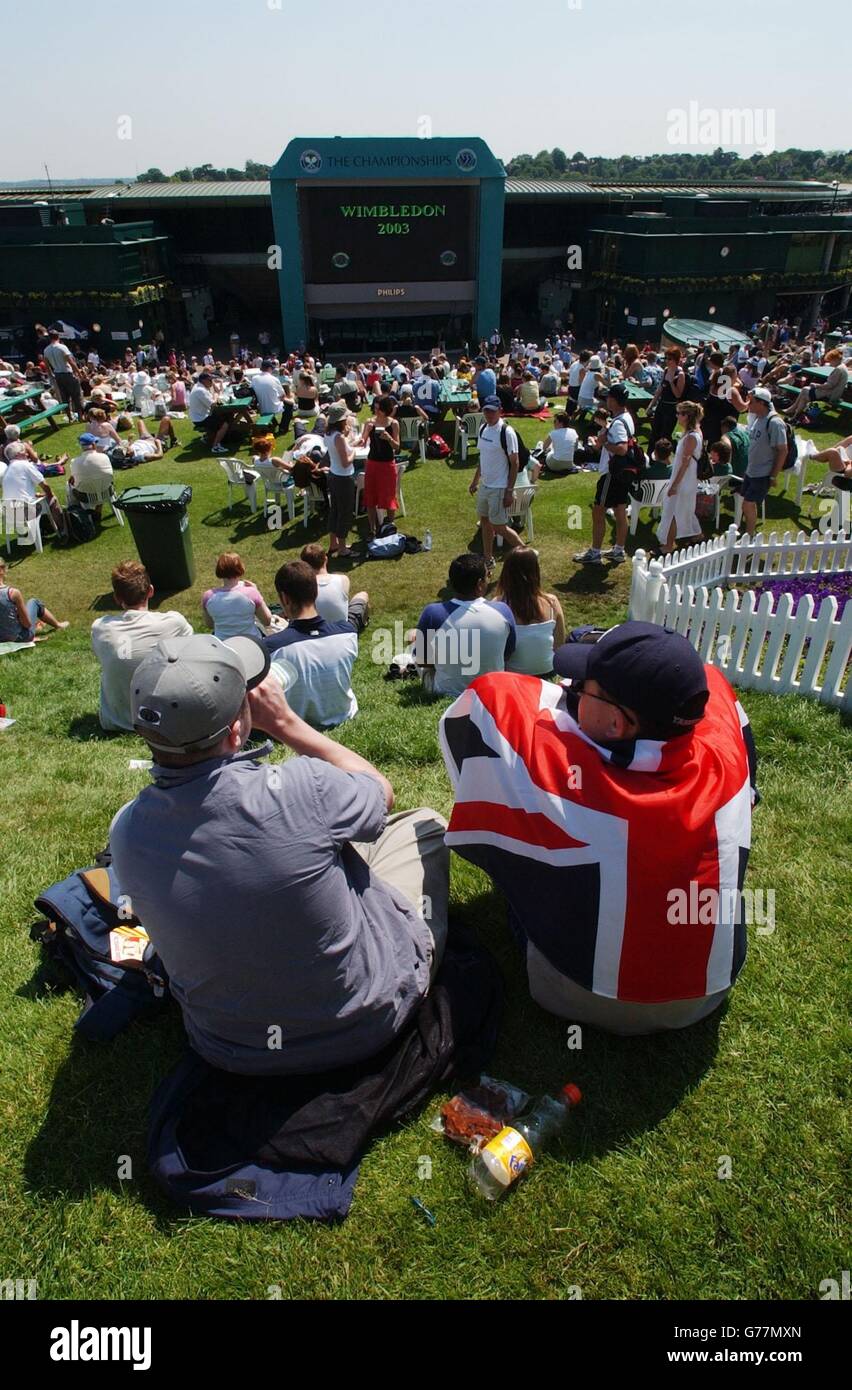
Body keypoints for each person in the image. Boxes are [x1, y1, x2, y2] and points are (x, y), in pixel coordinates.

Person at [109, 633, 448, 1075]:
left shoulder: (126, 831)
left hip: (229, 1048)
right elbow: (380, 792)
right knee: (422, 823)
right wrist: (286, 722)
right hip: (367, 1023)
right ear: (236, 730)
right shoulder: (303, 789)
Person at [439, 621, 757, 1035]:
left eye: (583, 687)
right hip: (706, 994)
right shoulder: (727, 754)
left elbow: (487, 695)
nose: (570, 687)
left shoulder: (548, 768)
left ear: (617, 725)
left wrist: (564, 712)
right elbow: (713, 683)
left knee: (522, 877)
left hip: (573, 991)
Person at [91, 561, 193, 731]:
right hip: (162, 721)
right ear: (151, 590)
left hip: (115, 722)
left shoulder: (100, 628)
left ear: (117, 598)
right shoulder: (173, 622)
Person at [265, 560, 367, 727]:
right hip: (344, 716)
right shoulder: (348, 633)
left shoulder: (271, 648)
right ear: (315, 591)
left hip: (298, 725)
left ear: (284, 598)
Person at [414, 552, 516, 696]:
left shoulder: (433, 613)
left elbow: (422, 660)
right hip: (492, 689)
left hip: (446, 690)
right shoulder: (503, 610)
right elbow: (507, 654)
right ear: (480, 584)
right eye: (488, 576)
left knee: (414, 641)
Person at [574, 384, 636, 567]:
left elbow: (622, 449)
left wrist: (603, 442)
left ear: (614, 400)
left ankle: (595, 552)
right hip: (623, 474)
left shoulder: (618, 423)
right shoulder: (627, 417)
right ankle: (618, 550)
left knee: (598, 511)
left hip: (611, 473)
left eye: (608, 397)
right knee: (620, 510)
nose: (606, 400)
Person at [469, 396, 523, 572]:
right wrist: (475, 481)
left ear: (500, 410)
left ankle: (526, 554)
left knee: (499, 526)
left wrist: (509, 490)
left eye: (492, 411)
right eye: (486, 410)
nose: (489, 414)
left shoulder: (507, 432)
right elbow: (482, 458)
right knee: (484, 521)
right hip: (486, 485)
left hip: (500, 487)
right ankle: (488, 558)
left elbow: (514, 463)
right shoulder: (483, 428)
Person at [495, 546, 564, 676]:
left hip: (513, 675)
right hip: (548, 671)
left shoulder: (498, 604)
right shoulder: (552, 602)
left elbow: (497, 651)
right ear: (535, 571)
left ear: (506, 572)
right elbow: (559, 646)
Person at [656, 400, 704, 556]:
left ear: (687, 416)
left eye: (679, 414)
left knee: (672, 511)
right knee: (685, 509)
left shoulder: (691, 437)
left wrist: (675, 485)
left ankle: (669, 545)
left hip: (684, 480)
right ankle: (697, 535)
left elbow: (685, 463)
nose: (677, 416)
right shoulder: (694, 432)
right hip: (687, 479)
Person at [742, 388, 788, 536]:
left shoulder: (775, 423)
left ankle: (749, 536)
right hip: (751, 470)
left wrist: (773, 476)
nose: (749, 404)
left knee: (748, 504)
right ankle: (749, 532)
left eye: (752, 401)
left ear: (762, 403)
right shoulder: (758, 418)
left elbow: (783, 450)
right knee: (748, 504)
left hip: (762, 473)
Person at [202, 553, 272, 640]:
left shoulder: (208, 597)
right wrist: (257, 592)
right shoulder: (251, 593)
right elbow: (267, 621)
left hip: (223, 644)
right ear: (240, 568)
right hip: (251, 643)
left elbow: (210, 625)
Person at [0, 556, 68, 642]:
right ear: (2, 569)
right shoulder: (13, 593)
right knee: (34, 602)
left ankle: (40, 626)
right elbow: (27, 624)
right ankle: (58, 625)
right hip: (19, 637)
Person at [299, 542, 369, 625]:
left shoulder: (302, 586)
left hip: (315, 630)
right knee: (363, 595)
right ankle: (364, 622)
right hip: (343, 629)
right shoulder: (343, 579)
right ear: (326, 559)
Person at [361, 395, 400, 537]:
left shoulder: (393, 424)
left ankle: (390, 528)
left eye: (379, 409)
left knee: (389, 497)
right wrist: (367, 430)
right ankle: (372, 529)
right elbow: (362, 442)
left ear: (386, 409)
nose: (376, 412)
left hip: (387, 464)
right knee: (370, 498)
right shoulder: (370, 422)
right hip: (372, 463)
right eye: (375, 408)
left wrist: (389, 438)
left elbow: (397, 447)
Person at [325, 402, 357, 557]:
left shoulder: (329, 434)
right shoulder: (339, 438)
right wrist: (354, 453)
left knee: (335, 510)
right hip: (344, 478)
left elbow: (340, 450)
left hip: (333, 475)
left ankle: (334, 544)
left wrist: (347, 439)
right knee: (344, 512)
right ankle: (343, 548)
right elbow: (346, 462)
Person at [784, 348, 849, 421]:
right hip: (834, 393)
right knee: (804, 395)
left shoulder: (838, 370)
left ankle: (793, 410)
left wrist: (816, 385)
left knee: (805, 390)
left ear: (835, 359)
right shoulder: (843, 367)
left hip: (830, 395)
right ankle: (794, 414)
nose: (830, 363)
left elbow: (830, 385)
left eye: (830, 360)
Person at [67, 434, 115, 518]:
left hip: (85, 496)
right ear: (93, 445)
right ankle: (98, 510)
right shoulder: (104, 457)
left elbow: (72, 481)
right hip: (107, 492)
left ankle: (76, 512)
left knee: (69, 486)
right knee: (100, 482)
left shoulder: (75, 462)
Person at [648, 348, 687, 447]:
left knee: (665, 435)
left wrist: (671, 382)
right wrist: (651, 405)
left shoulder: (680, 375)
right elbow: (660, 389)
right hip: (661, 405)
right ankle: (650, 458)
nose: (667, 361)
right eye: (666, 358)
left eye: (670, 359)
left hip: (671, 408)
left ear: (676, 360)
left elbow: (678, 394)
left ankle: (662, 460)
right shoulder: (666, 370)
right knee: (654, 433)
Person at [42, 330, 84, 419]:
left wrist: (51, 376)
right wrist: (79, 373)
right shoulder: (62, 347)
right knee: (76, 395)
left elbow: (47, 366)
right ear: (58, 337)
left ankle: (69, 417)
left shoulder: (46, 350)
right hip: (67, 373)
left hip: (57, 374)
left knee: (64, 397)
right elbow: (71, 362)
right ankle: (80, 416)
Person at [188, 371, 230, 454]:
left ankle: (208, 437)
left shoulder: (199, 386)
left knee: (226, 415)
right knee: (224, 424)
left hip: (200, 416)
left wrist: (215, 393)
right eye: (210, 380)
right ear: (204, 381)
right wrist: (216, 395)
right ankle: (215, 446)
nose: (212, 382)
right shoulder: (200, 390)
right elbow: (213, 405)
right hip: (201, 419)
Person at [537, 409, 580, 474]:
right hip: (569, 464)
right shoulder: (573, 431)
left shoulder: (553, 433)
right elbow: (575, 449)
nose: (553, 423)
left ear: (561, 423)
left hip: (554, 464)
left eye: (555, 421)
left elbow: (544, 447)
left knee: (543, 446)